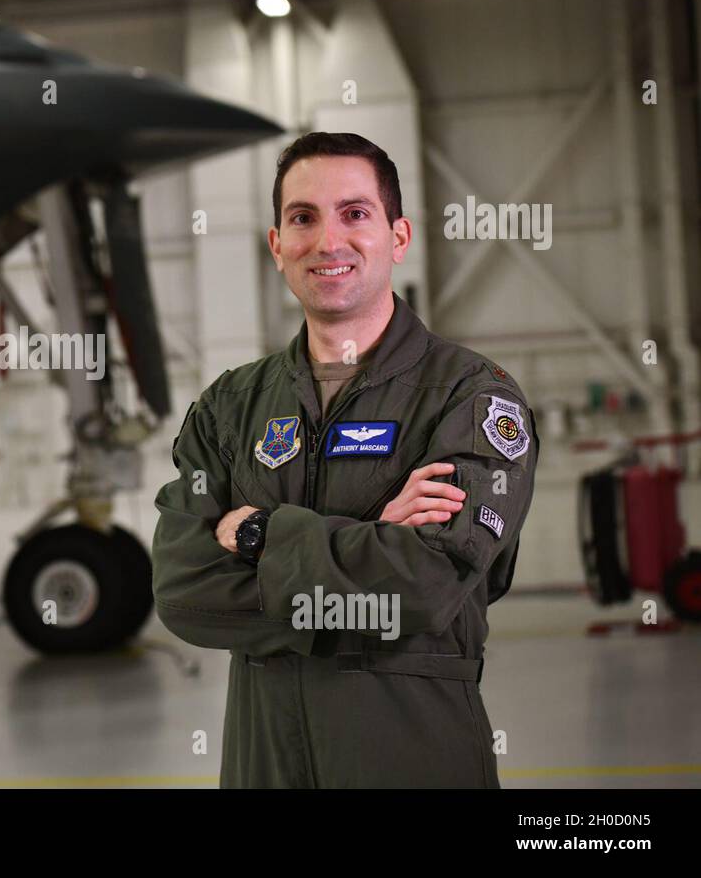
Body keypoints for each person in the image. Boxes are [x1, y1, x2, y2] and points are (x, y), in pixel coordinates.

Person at [151, 132, 540, 787]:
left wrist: (261, 535)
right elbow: (183, 592)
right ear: (277, 245)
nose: (328, 241)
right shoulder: (230, 405)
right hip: (265, 768)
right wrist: (372, 550)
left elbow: (426, 584)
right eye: (303, 218)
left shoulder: (472, 396)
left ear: (398, 236)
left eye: (355, 214)